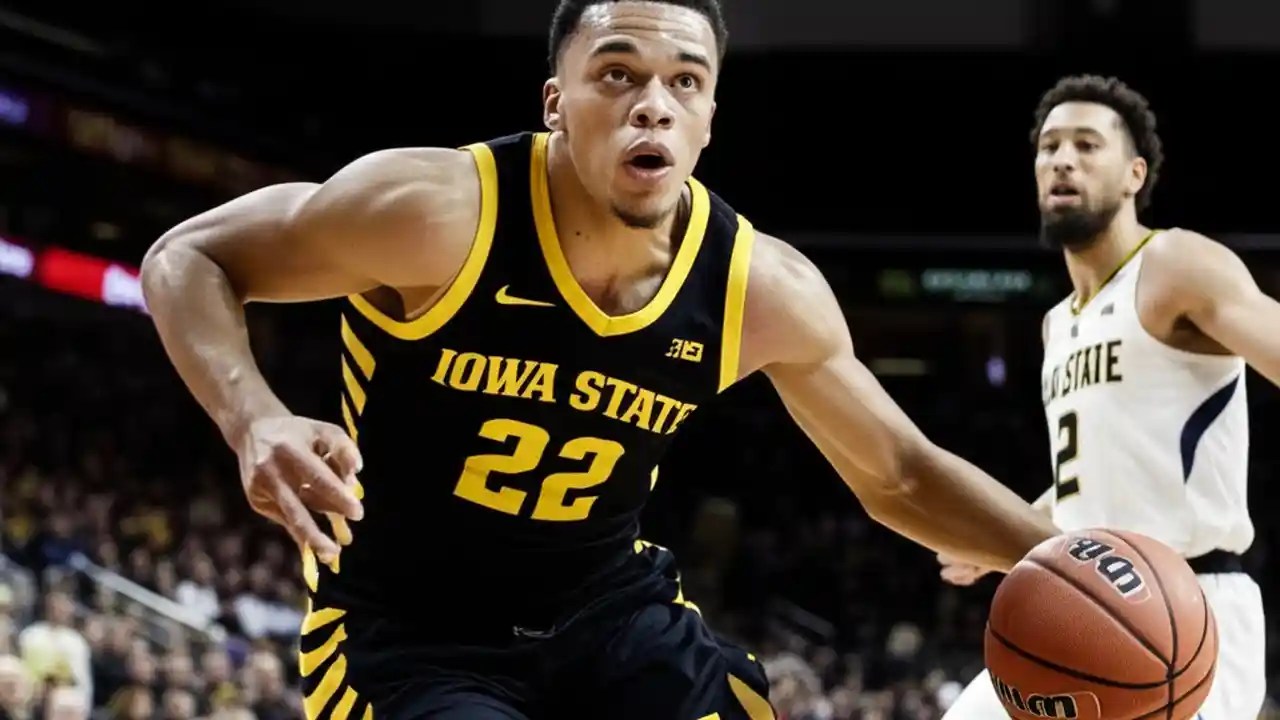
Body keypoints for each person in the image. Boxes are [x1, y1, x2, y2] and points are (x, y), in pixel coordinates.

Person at [141, 1, 1057, 718]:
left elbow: (898, 472)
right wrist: (252, 415)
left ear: (706, 118)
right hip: (406, 631)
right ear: (556, 103)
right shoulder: (435, 212)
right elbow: (189, 256)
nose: (652, 102)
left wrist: (1066, 561)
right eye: (616, 74)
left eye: (684, 83)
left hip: (607, 615)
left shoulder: (757, 286)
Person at [939, 74, 1277, 720]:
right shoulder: (1055, 323)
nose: (1062, 158)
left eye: (1087, 145)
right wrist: (992, 534)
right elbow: (1089, 481)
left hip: (1187, 606)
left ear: (1134, 173)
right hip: (1084, 599)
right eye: (1049, 146)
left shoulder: (1175, 264)